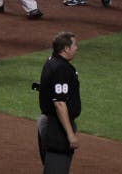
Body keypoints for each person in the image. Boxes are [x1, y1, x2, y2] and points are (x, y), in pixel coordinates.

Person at [37, 31, 82, 174]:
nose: (76, 48)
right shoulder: (61, 69)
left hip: (51, 122)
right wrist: (70, 133)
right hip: (56, 126)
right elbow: (59, 103)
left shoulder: (52, 61)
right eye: (74, 45)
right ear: (66, 48)